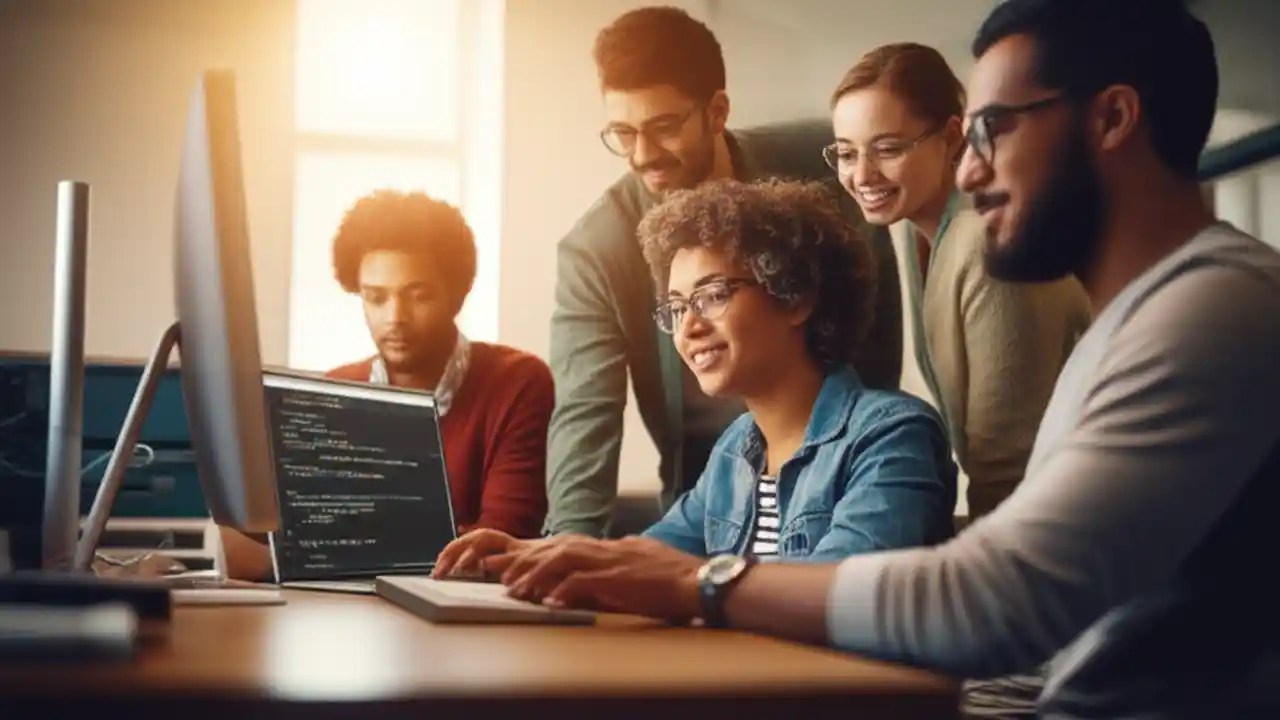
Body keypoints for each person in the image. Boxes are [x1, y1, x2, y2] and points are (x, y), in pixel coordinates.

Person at [439, 1, 1280, 716]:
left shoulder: (1215, 308)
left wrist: (698, 583)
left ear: (1112, 118)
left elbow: (1000, 597)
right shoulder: (1133, 325)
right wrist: (550, 556)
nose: (970, 169)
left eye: (992, 129)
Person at [434, 178, 956, 580]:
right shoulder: (737, 450)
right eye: (677, 307)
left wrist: (690, 582)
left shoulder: (892, 434)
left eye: (712, 296)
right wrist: (527, 552)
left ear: (796, 296)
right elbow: (654, 552)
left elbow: (842, 591)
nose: (689, 327)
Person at [546, 6, 904, 539]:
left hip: (839, 485)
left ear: (716, 111)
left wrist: (867, 451)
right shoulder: (596, 248)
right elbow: (583, 420)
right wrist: (562, 556)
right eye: (622, 133)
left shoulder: (824, 167)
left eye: (664, 127)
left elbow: (873, 325)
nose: (643, 156)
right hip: (709, 508)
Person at [221, 190, 552, 580]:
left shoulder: (517, 381)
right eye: (376, 298)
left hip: (465, 621)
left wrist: (306, 557)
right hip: (350, 614)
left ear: (456, 295)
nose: (395, 318)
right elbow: (304, 530)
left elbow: (497, 542)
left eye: (419, 296)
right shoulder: (338, 389)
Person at [826, 43, 1091, 522]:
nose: (861, 175)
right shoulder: (916, 231)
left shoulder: (988, 243)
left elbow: (1008, 464)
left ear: (952, 137)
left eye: (887, 149)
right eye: (846, 153)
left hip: (1074, 525)